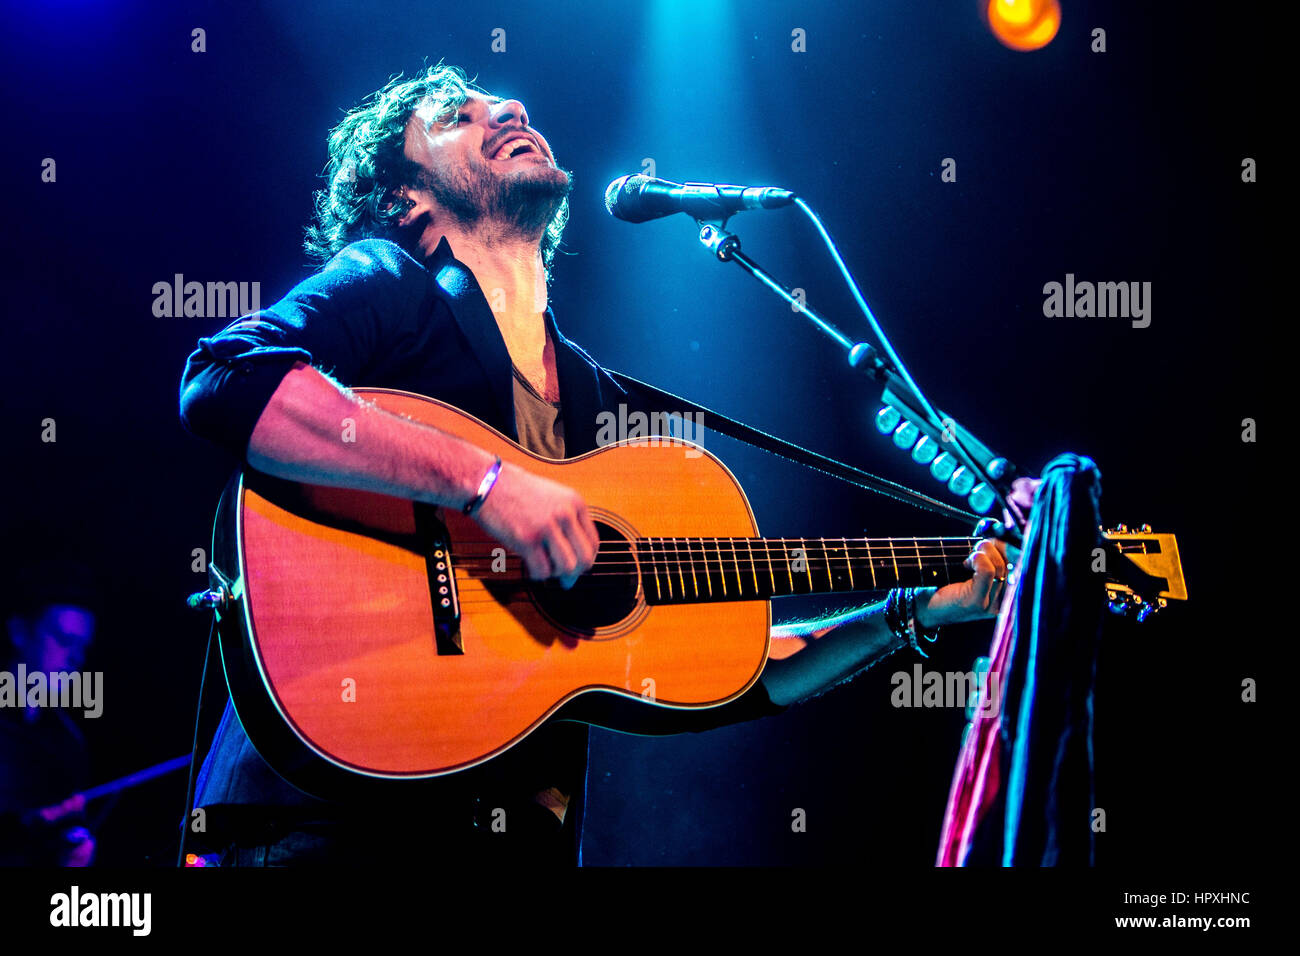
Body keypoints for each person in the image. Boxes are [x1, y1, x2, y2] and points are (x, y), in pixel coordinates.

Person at [178, 63, 1014, 866]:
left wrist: (913, 611)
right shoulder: (394, 287)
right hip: (330, 824)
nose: (506, 105)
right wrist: (486, 486)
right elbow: (224, 378)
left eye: (495, 101)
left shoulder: (599, 408)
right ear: (408, 199)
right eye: (455, 115)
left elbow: (732, 671)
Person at [0, 560, 98, 866]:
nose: (75, 659)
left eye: (82, 647)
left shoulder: (68, 741)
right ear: (19, 632)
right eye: (64, 640)